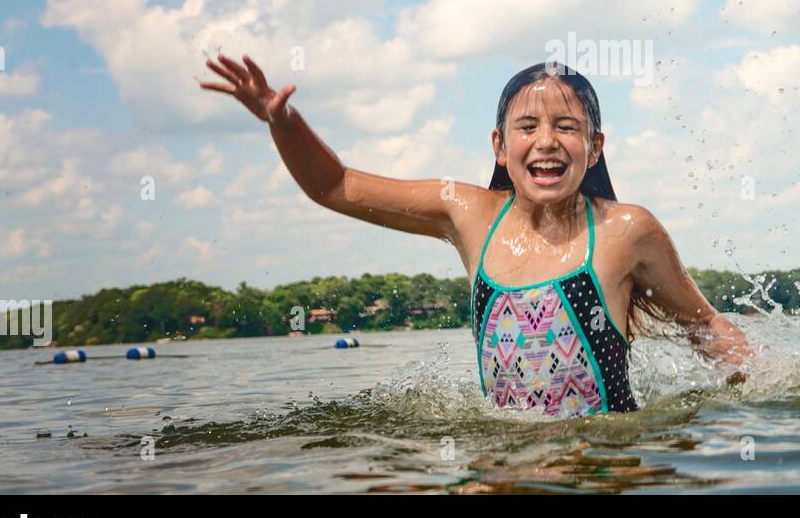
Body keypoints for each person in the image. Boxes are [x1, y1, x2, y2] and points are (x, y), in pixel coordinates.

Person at [201, 57, 750, 416]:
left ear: (596, 145)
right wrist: (283, 121)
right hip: (505, 463)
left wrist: (750, 395)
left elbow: (705, 324)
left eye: (566, 127)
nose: (547, 142)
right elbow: (335, 185)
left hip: (603, 463)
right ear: (499, 144)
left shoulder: (626, 231)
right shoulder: (467, 214)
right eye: (528, 127)